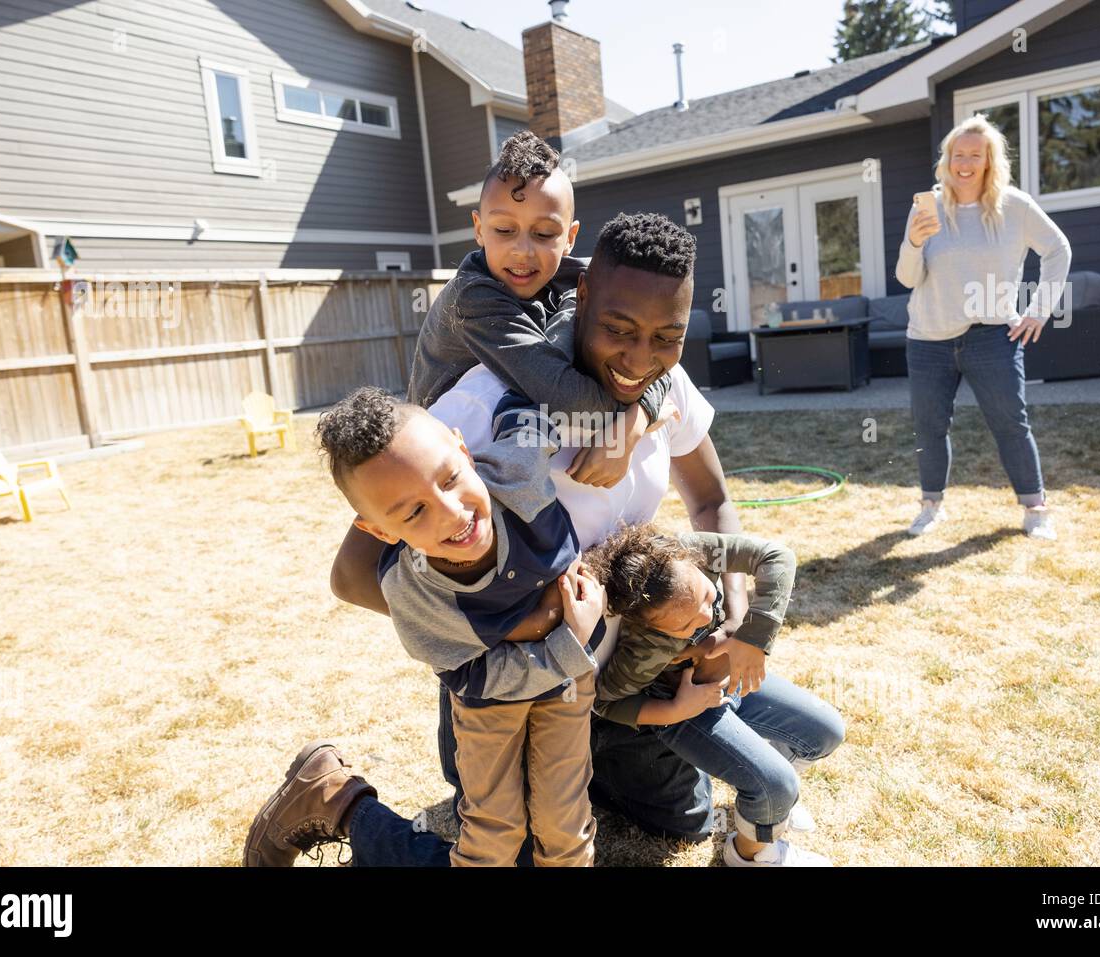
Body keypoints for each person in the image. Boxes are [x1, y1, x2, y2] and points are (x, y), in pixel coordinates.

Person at [249, 213, 837, 866]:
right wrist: (526, 623)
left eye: (666, 336)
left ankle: (610, 763)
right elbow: (353, 574)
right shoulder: (490, 407)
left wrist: (725, 614)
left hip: (631, 666)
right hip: (525, 689)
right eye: (619, 330)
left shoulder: (658, 387)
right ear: (582, 296)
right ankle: (334, 797)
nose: (640, 358)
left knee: (713, 803)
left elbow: (711, 497)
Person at [243, 386, 606, 867]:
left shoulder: (517, 475)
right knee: (495, 839)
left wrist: (623, 417)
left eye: (450, 478)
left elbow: (523, 412)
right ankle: (328, 794)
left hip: (565, 687)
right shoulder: (412, 594)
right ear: (381, 532)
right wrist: (566, 640)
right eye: (414, 511)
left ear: (463, 449)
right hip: (491, 708)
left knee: (566, 826)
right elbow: (475, 678)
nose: (452, 513)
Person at [409, 129, 672, 489]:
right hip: (446, 467)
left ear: (570, 237)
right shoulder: (474, 297)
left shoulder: (577, 280)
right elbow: (564, 398)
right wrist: (636, 420)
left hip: (514, 443)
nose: (523, 250)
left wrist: (638, 416)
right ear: (479, 229)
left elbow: (655, 355)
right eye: (504, 229)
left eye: (544, 234)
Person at [585, 523, 841, 867]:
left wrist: (752, 635)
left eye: (706, 597)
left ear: (690, 561)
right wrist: (676, 708)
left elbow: (777, 556)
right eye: (684, 625)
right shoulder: (642, 651)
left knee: (826, 731)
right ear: (651, 628)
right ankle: (751, 854)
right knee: (774, 786)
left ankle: (771, 805)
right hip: (692, 713)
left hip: (730, 680)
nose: (706, 617)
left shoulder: (689, 548)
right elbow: (605, 703)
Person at [897, 113, 1071, 540]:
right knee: (929, 427)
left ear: (990, 160)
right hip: (928, 339)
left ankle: (1035, 510)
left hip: (993, 336)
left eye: (976, 154)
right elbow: (906, 278)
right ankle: (930, 506)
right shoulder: (927, 207)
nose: (965, 162)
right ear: (947, 159)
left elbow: (1057, 250)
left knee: (1011, 423)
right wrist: (914, 242)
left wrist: (1038, 309)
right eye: (959, 154)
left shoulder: (1014, 206)